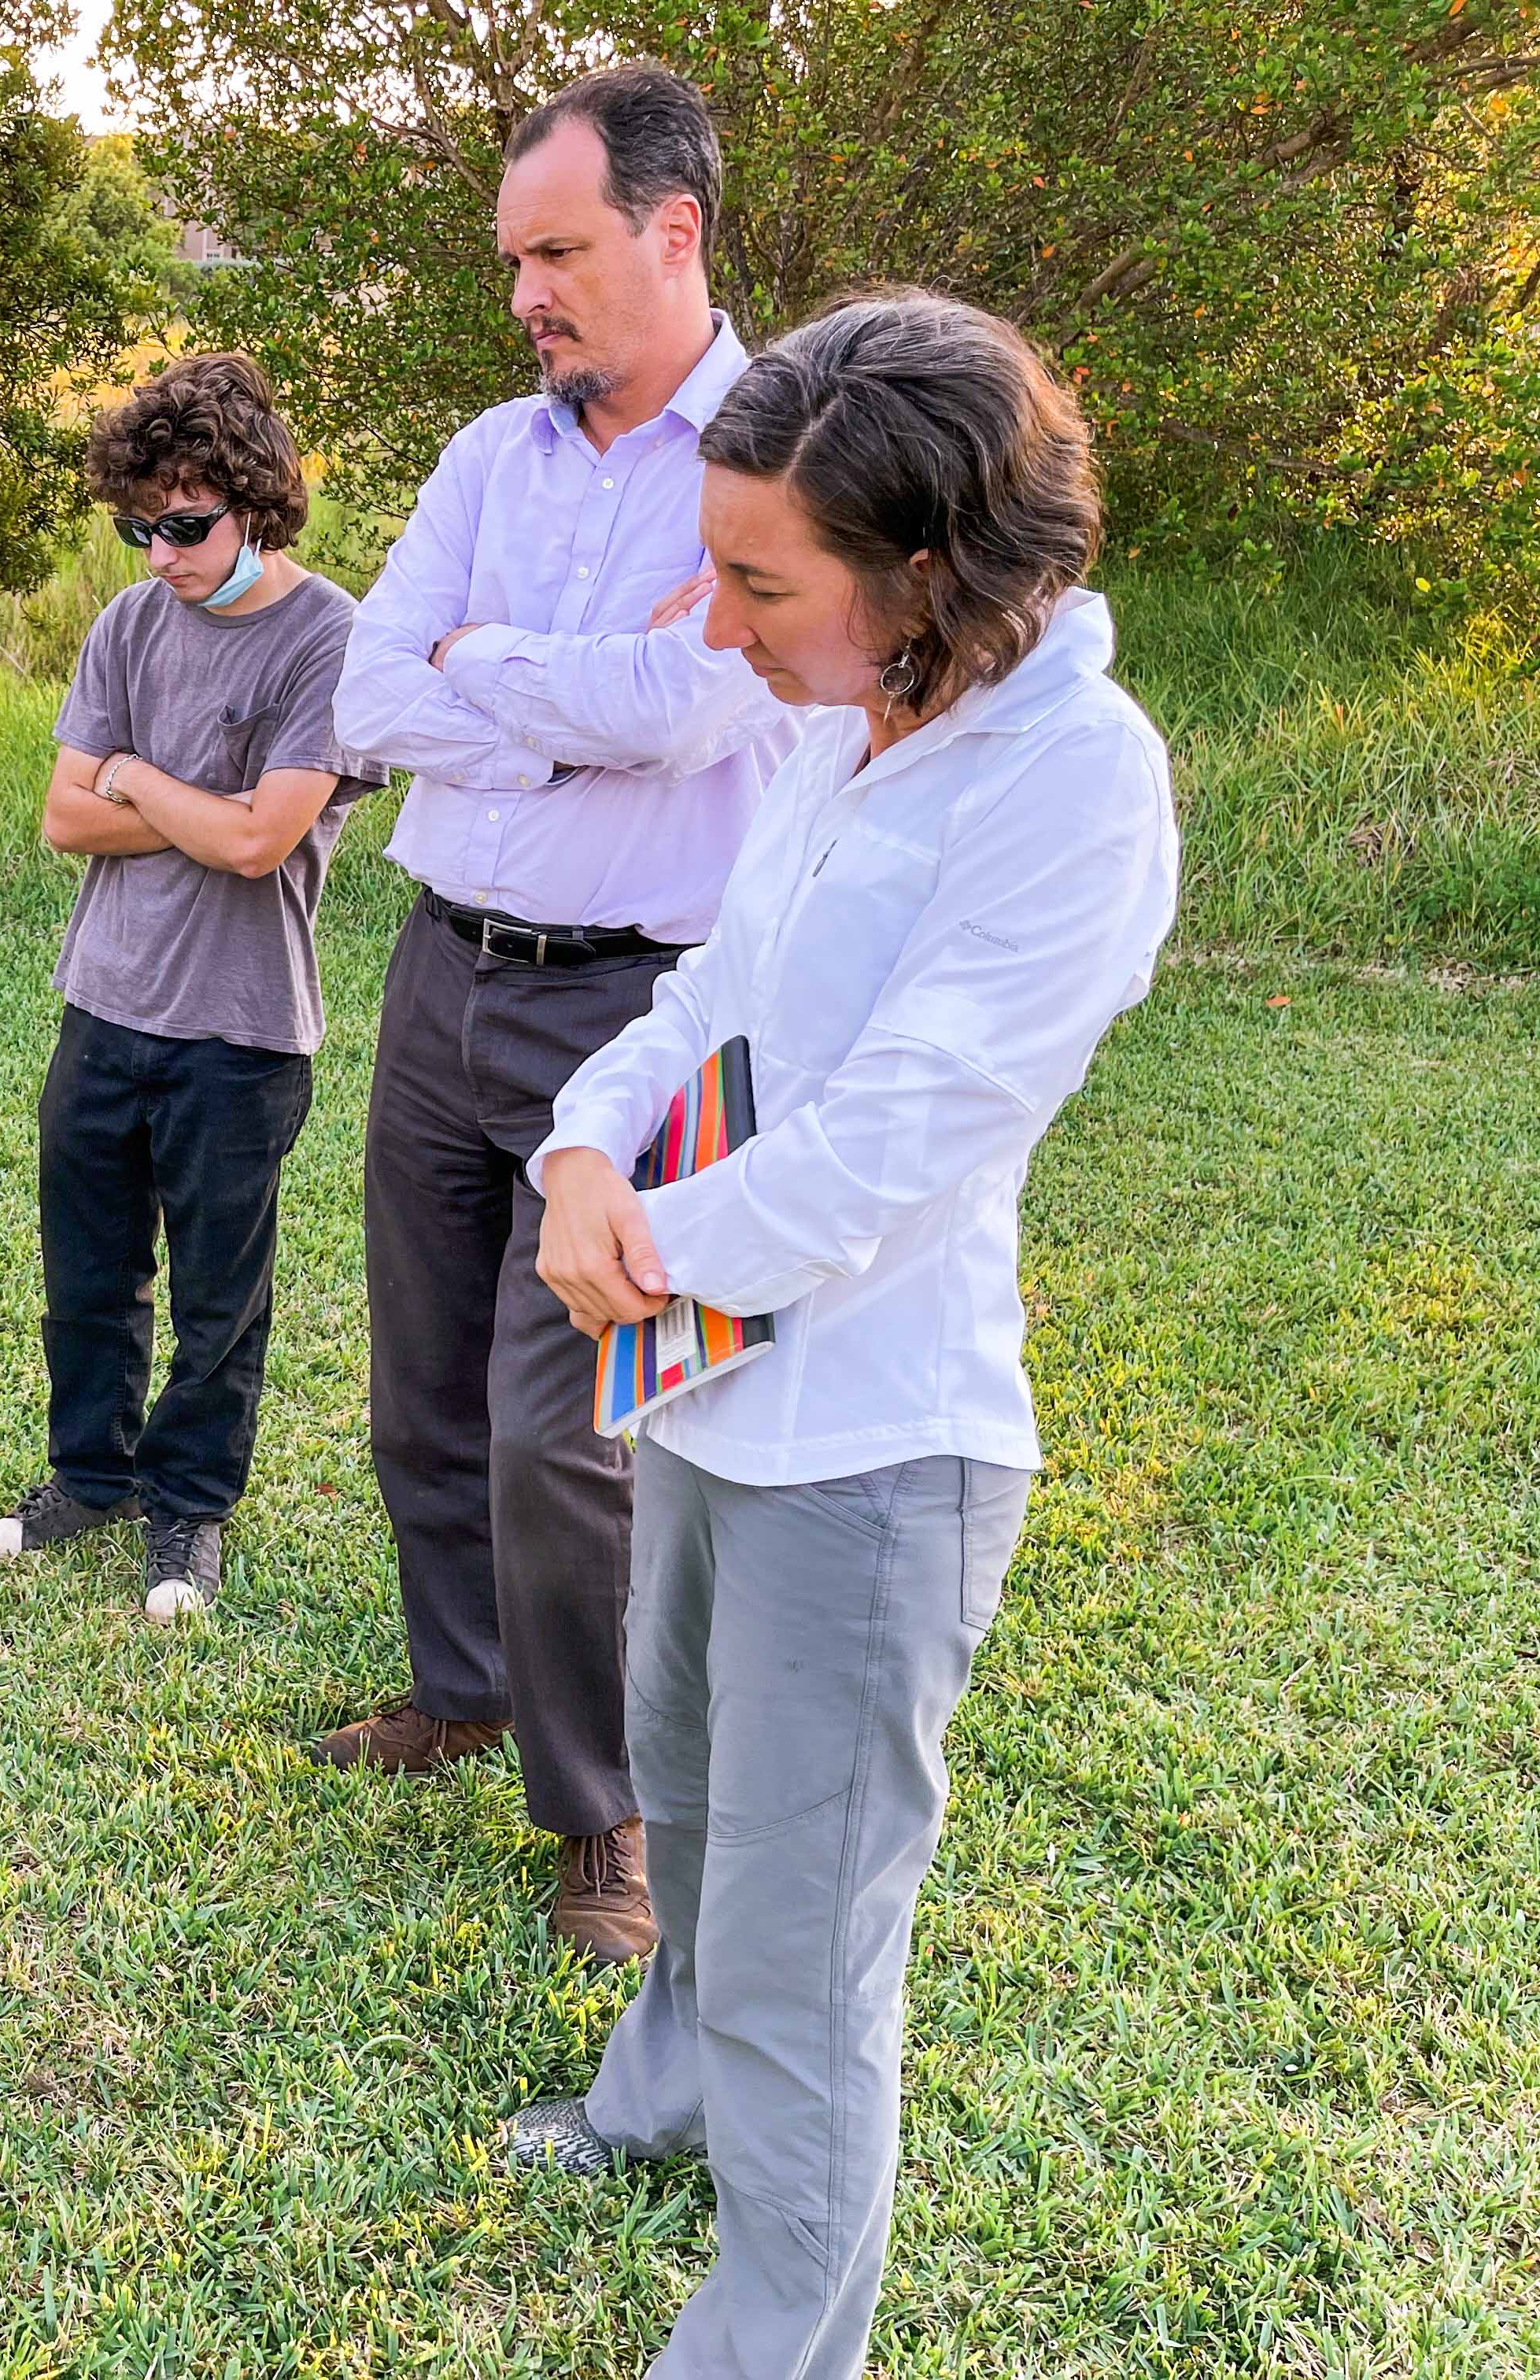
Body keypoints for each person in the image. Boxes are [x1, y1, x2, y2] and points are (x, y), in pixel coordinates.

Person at [503, 292, 1178, 2380]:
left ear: (924, 575)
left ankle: (779, 2329)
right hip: (713, 1396)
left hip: (876, 1460)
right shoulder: (846, 713)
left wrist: (634, 1247)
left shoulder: (1074, 781)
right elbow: (711, 995)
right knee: (692, 1810)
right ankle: (659, 2098)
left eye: (754, 580)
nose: (715, 625)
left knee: (807, 1940)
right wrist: (582, 1146)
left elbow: (898, 1142)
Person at [322, 62, 799, 1964]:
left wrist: (486, 675)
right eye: (514, 255)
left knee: (567, 1426)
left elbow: (693, 709)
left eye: (558, 251)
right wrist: (552, 708)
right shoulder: (483, 457)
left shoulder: (775, 446)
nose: (525, 292)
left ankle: (609, 1817)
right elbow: (366, 698)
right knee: (423, 1379)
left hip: (642, 1007)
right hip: (443, 969)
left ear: (673, 233)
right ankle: (460, 1685)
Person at [0, 354, 382, 1618]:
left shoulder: (330, 636)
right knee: (87, 1269)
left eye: (187, 526)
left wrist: (138, 779)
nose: (159, 554)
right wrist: (195, 803)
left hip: (245, 1026)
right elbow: (60, 817)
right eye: (137, 526)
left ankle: (189, 1509)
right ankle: (89, 1478)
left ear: (258, 499)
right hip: (104, 1000)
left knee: (221, 1291)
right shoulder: (127, 623)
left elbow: (265, 844)